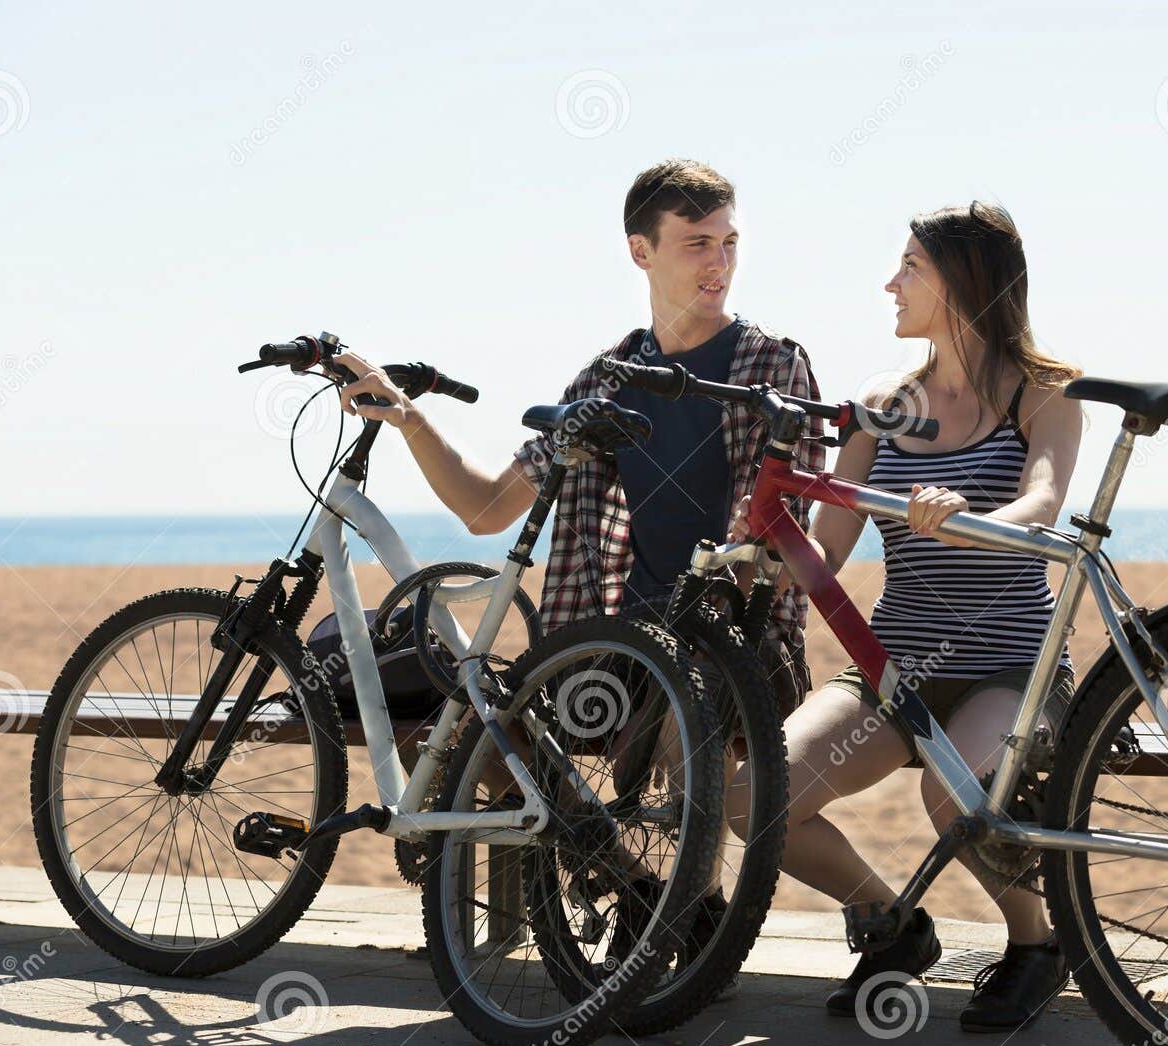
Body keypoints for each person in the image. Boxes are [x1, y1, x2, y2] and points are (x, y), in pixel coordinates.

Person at [333, 158, 825, 964]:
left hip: (733, 645)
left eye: (729, 242)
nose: (720, 262)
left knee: (684, 729)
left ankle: (683, 929)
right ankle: (644, 889)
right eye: (697, 243)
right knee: (469, 746)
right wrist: (410, 418)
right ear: (642, 251)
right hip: (608, 640)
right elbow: (488, 504)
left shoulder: (770, 366)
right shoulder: (607, 382)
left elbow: (765, 526)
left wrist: (699, 617)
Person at [730, 201, 1084, 1032]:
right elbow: (830, 545)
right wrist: (761, 553)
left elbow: (1044, 498)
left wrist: (973, 513)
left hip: (1010, 670)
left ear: (962, 282)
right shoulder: (883, 401)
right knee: (753, 795)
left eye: (910, 267)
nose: (891, 283)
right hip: (894, 671)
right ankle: (894, 923)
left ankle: (1035, 943)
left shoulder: (1042, 393)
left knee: (950, 790)